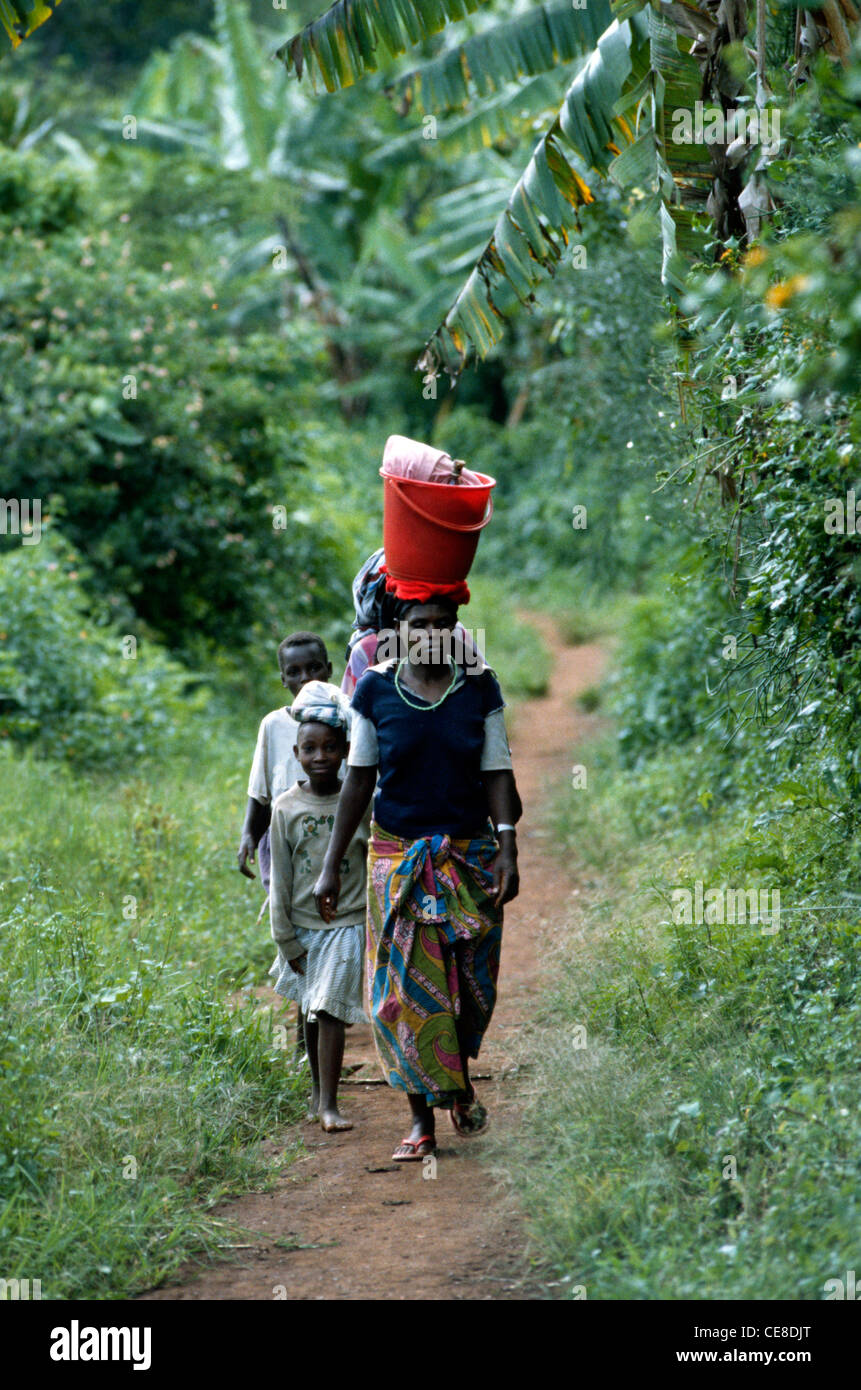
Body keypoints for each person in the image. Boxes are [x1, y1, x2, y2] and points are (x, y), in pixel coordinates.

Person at [314, 596, 521, 1161]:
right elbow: (359, 779)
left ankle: (455, 1079)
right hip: (398, 857)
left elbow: (497, 769)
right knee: (406, 992)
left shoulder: (479, 685)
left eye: (443, 623)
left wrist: (508, 848)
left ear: (457, 629)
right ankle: (419, 1120)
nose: (432, 632)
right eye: (418, 624)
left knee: (470, 985)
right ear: (397, 632)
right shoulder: (375, 691)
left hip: (469, 856)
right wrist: (332, 864)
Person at [268, 681, 369, 1133]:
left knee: (329, 1011)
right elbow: (281, 880)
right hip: (303, 927)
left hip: (347, 922)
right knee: (312, 1008)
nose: (321, 756)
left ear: (347, 750)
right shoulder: (286, 807)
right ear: (296, 752)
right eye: (311, 748)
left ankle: (329, 1102)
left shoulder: (360, 801)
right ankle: (316, 1090)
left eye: (331, 747)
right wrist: (284, 937)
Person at [237, 631, 334, 1053]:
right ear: (283, 679)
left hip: (330, 843)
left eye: (314, 667)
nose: (305, 677)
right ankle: (306, 1034)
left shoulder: (344, 716)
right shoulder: (274, 725)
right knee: (295, 933)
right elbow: (260, 790)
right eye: (294, 671)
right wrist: (247, 835)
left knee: (328, 933)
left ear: (329, 671)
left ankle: (321, 1021)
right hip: (282, 845)